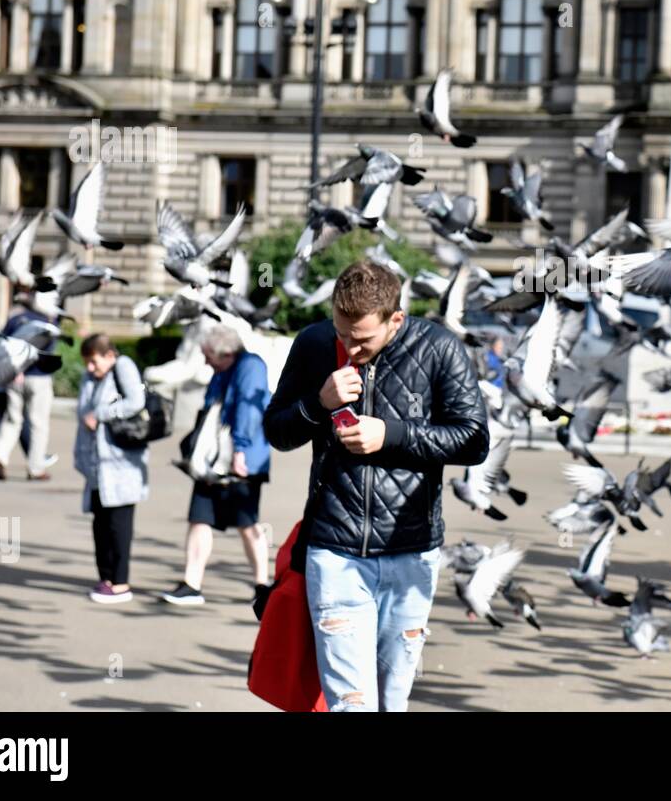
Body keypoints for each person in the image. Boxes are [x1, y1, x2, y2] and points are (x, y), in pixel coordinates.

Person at [263, 260, 490, 712]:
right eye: (342, 333)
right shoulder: (314, 344)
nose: (349, 346)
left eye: (362, 338)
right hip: (335, 551)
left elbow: (474, 439)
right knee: (351, 704)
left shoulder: (439, 348)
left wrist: (392, 435)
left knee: (392, 701)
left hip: (412, 552)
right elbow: (277, 431)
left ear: (396, 320)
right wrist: (318, 403)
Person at [159, 325, 272, 607]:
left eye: (207, 354)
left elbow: (249, 410)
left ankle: (261, 583)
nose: (205, 360)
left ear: (225, 353)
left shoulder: (250, 366)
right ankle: (191, 583)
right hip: (212, 459)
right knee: (200, 517)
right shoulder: (222, 371)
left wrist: (241, 451)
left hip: (240, 458)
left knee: (247, 522)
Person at [74, 334, 149, 605]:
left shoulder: (123, 366)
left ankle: (120, 583)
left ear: (109, 355)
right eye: (87, 363)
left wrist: (102, 414)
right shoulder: (90, 377)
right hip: (97, 465)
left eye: (94, 362)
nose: (90, 368)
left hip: (121, 464)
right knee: (100, 523)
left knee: (119, 524)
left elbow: (136, 401)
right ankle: (105, 577)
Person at [0, 292, 59, 481]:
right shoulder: (49, 321)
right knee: (38, 424)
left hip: (15, 376)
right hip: (39, 377)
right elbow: (48, 349)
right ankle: (36, 468)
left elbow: (2, 345)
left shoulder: (15, 320)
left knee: (12, 420)